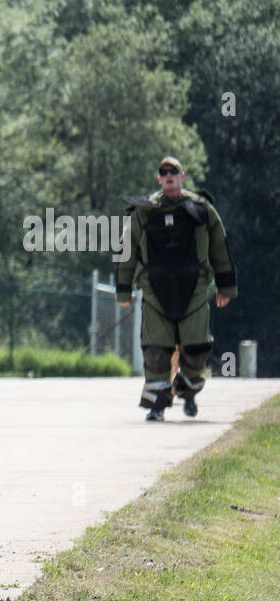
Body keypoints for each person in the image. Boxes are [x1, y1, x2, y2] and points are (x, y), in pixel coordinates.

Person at [118, 157, 236, 421]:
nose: (169, 175)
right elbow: (127, 250)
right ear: (159, 179)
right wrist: (123, 290)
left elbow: (219, 247)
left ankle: (188, 389)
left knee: (196, 349)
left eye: (174, 171)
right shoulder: (143, 212)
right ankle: (156, 407)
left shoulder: (202, 210)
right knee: (156, 351)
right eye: (163, 172)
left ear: (182, 176)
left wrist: (226, 287)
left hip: (194, 289)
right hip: (154, 290)